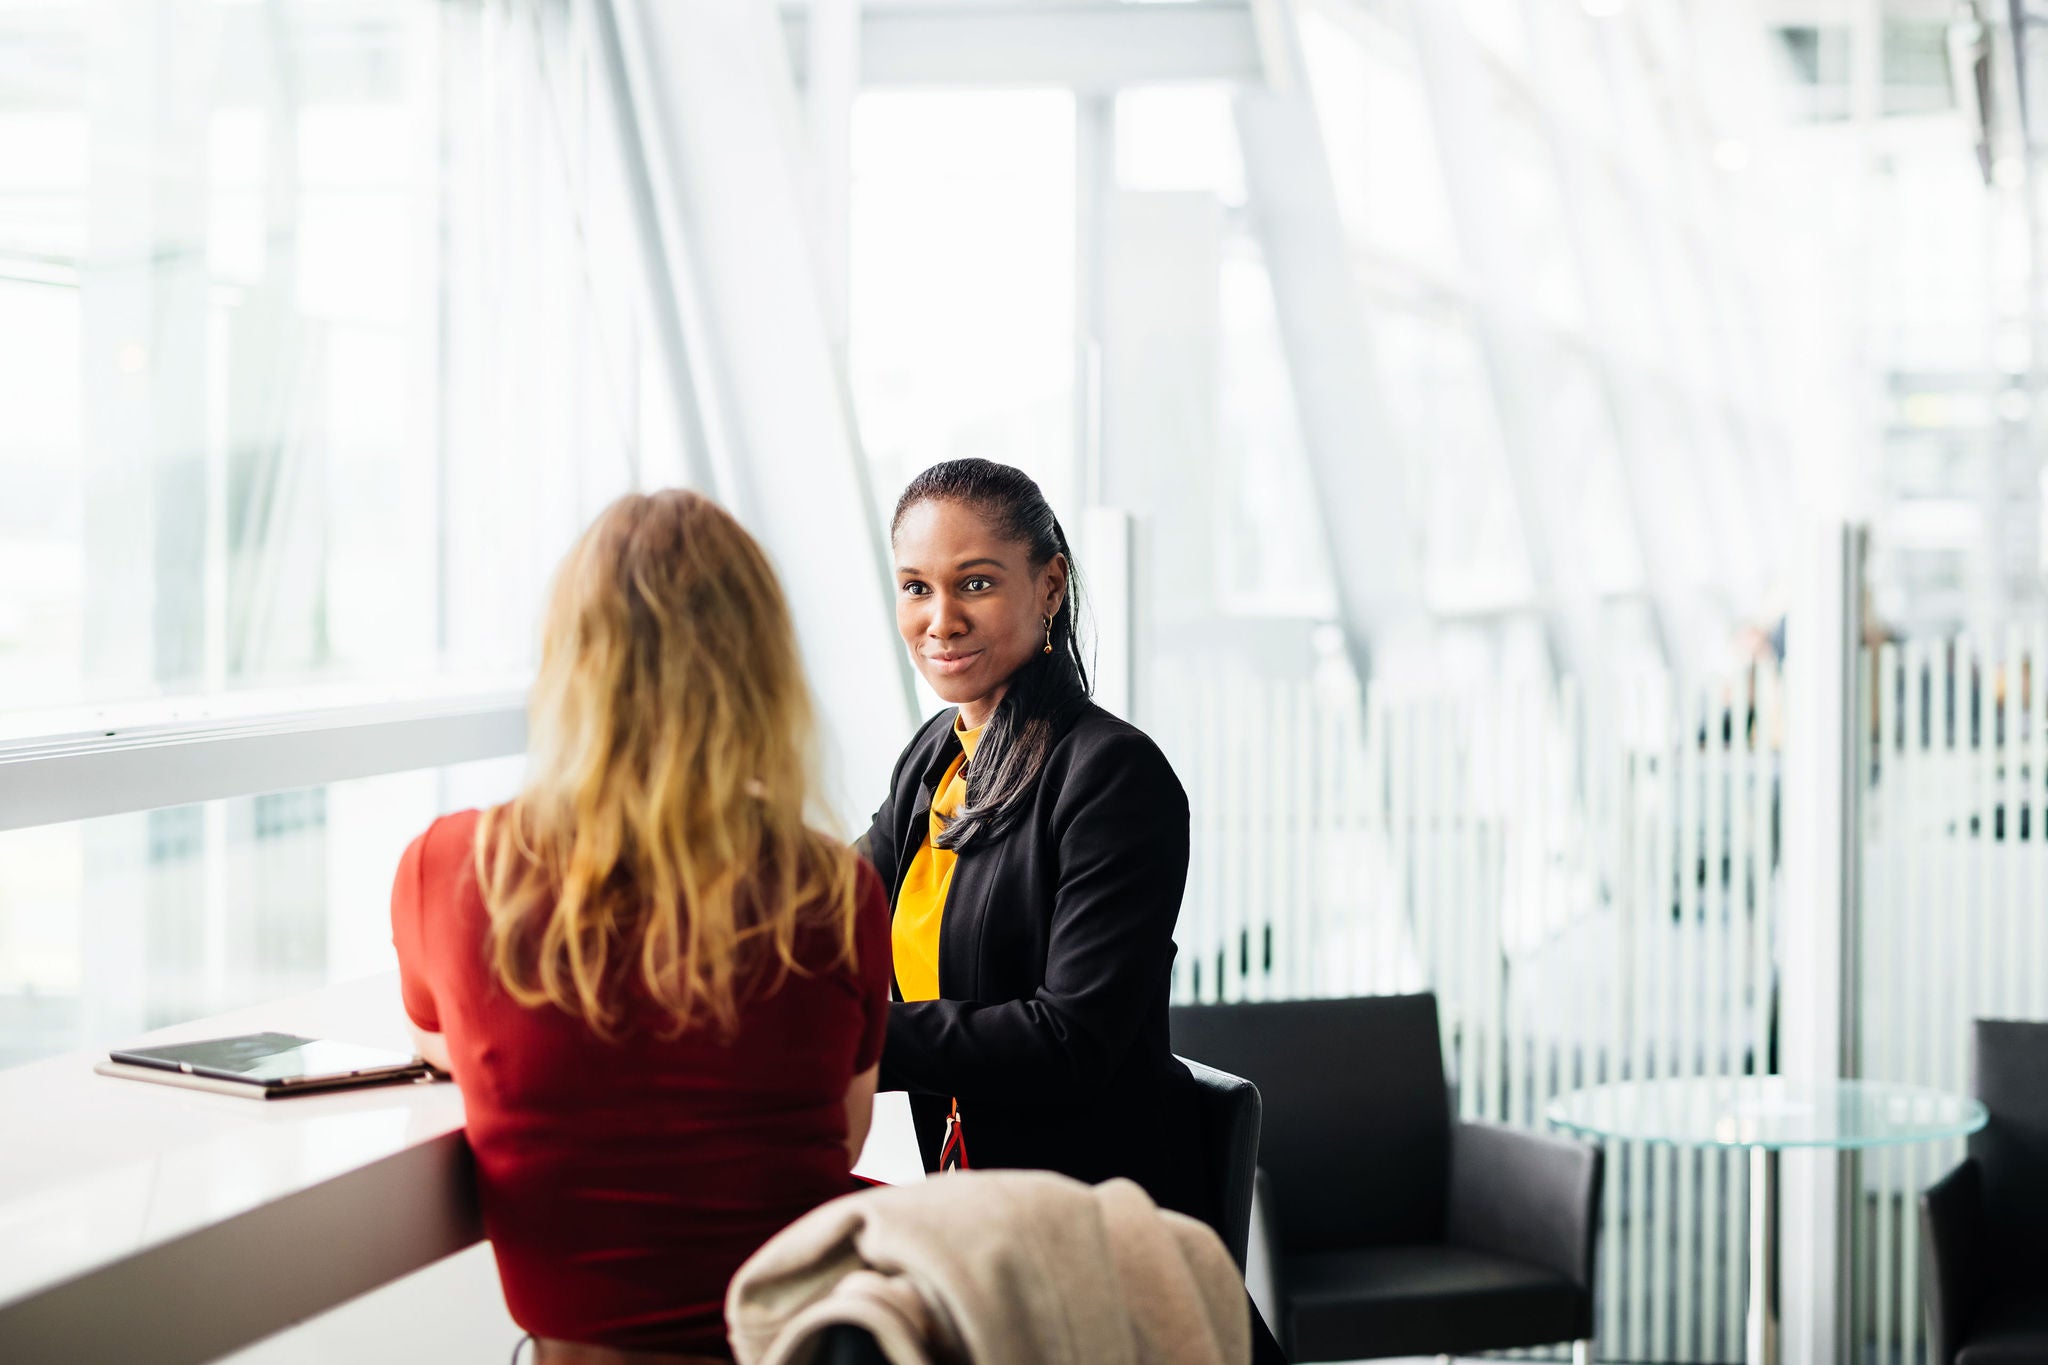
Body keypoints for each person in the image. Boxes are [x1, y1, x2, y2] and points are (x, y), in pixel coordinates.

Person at [390, 490, 891, 1365]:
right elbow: (841, 1134)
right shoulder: (835, 890)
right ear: (764, 672)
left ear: (568, 664)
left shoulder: (451, 868)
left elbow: (438, 1039)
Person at [863, 458, 1207, 1218]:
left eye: (975, 583)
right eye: (916, 586)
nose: (940, 619)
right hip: (972, 1206)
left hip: (1090, 1226)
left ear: (1050, 585)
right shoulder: (935, 754)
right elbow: (832, 900)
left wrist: (850, 1037)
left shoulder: (1113, 776)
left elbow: (1068, 1039)